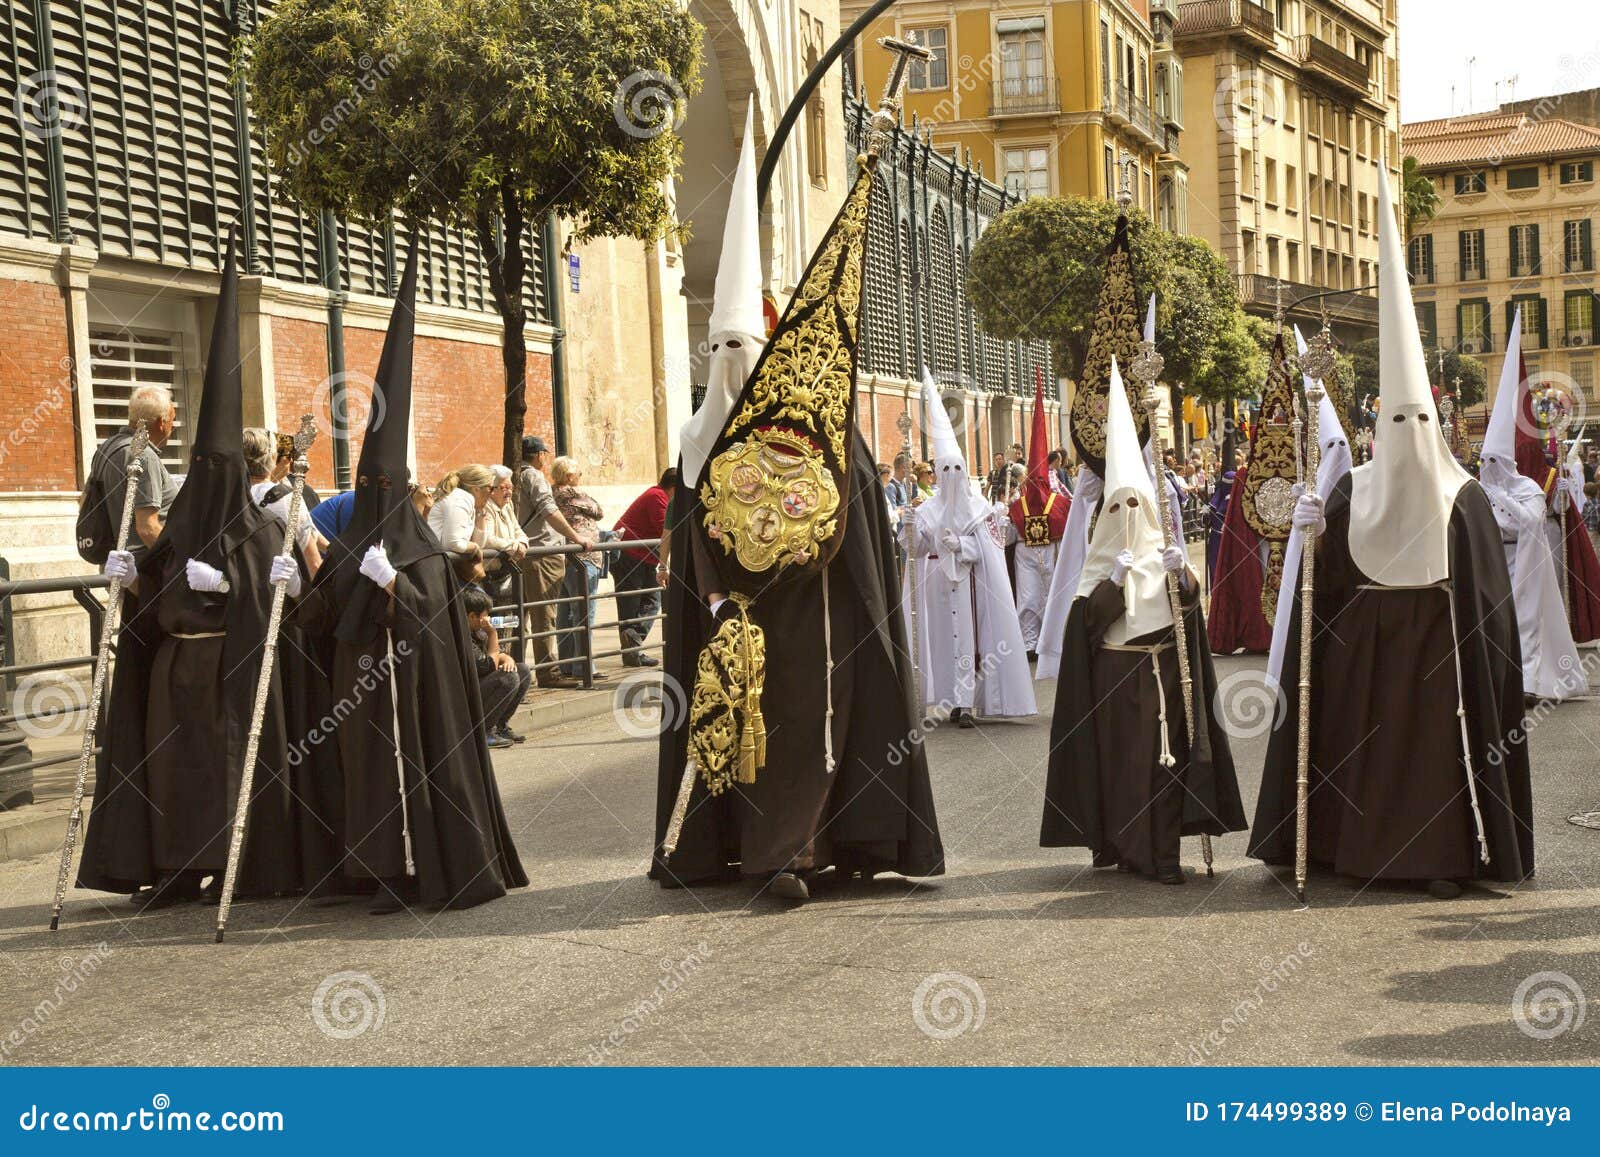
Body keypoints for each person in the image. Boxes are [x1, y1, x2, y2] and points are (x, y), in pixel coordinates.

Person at [652, 112, 943, 905]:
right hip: (737, 620)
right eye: (719, 351)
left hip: (820, 610)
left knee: (818, 730)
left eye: (744, 349)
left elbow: (853, 515)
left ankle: (818, 845)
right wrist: (713, 598)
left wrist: (818, 547)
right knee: (746, 735)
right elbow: (691, 532)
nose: (731, 365)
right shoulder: (697, 435)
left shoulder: (824, 427)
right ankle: (750, 849)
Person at [1251, 173, 1534, 898]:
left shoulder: (1463, 496)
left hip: (1440, 657)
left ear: (1433, 426)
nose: (1408, 437)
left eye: (1419, 422)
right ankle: (1354, 845)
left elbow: (1490, 605)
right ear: (1382, 427)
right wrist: (1313, 534)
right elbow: (1329, 585)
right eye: (1396, 422)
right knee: (1365, 750)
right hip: (1367, 654)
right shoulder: (1354, 487)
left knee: (1434, 757)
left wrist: (1490, 664)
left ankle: (1440, 854)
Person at [79, 236, 321, 909]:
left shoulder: (263, 525)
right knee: (171, 774)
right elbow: (154, 582)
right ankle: (177, 868)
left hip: (227, 671)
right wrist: (128, 574)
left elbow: (288, 602)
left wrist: (242, 585)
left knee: (219, 772)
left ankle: (234, 864)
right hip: (171, 673)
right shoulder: (182, 523)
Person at [291, 244, 527, 914]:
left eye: (380, 489)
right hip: (361, 691)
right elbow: (323, 615)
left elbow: (433, 611)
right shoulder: (351, 545)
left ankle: (424, 866)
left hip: (409, 686)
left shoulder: (418, 551)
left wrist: (392, 583)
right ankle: (377, 867)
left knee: (410, 775)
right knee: (367, 779)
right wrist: (300, 577)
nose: (371, 497)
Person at [1041, 358, 1245, 883]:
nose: (1130, 513)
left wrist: (1186, 578)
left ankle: (1163, 856)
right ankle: (1125, 845)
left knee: (1165, 766)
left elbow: (1187, 615)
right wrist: (1112, 587)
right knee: (1124, 770)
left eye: (1139, 503)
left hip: (1166, 677)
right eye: (1120, 505)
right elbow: (1083, 626)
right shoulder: (1097, 565)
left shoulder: (1165, 550)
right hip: (1114, 680)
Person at [903, 373, 1035, 727]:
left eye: (957, 468)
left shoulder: (979, 508)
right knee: (943, 642)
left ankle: (965, 703)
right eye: (945, 469)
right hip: (936, 586)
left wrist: (961, 544)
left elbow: (989, 548)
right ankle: (945, 699)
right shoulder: (927, 509)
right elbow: (913, 550)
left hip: (972, 587)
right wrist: (909, 524)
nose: (952, 474)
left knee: (969, 644)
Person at [1476, 311, 1583, 701]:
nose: (1489, 469)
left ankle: (1530, 683)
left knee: (1528, 626)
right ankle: (1500, 683)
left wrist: (1500, 498)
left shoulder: (1526, 488)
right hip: (1491, 566)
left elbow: (1528, 521)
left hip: (1525, 565)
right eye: (1484, 462)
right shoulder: (1477, 490)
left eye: (1495, 463)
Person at [1265, 328, 1353, 693]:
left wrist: (1321, 531)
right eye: (1327, 445)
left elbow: (1345, 560)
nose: (1333, 451)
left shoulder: (1355, 489)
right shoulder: (1312, 484)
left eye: (1338, 445)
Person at [514, 435, 590, 689]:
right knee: (545, 616)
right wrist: (575, 536)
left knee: (521, 617)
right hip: (542, 553)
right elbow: (548, 510)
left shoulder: (514, 475)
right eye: (545, 454)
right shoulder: (534, 476)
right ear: (539, 455)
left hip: (526, 552)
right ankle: (548, 673)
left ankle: (516, 670)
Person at [1009, 376, 1069, 660]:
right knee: (1029, 598)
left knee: (1053, 595)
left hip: (1051, 551)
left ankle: (1054, 638)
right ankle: (1029, 643)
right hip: (1026, 553)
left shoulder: (1060, 503)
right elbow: (1007, 534)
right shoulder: (1015, 504)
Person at [91, 384, 179, 558]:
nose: (172, 428)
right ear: (162, 423)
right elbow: (147, 528)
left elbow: (86, 501)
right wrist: (178, 562)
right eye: (172, 421)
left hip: (118, 568)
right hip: (145, 571)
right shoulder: (144, 456)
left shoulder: (105, 449)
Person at [612, 467, 676, 667]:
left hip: (644, 557)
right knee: (631, 604)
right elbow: (664, 528)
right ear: (673, 487)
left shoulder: (659, 496)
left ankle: (634, 644)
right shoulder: (657, 497)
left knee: (650, 600)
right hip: (630, 556)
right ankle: (632, 651)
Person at [551, 456, 605, 681]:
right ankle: (584, 667)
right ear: (570, 476)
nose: (580, 478)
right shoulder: (570, 494)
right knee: (584, 612)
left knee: (566, 612)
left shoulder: (553, 493)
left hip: (564, 558)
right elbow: (599, 510)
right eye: (578, 474)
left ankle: (567, 664)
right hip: (584, 559)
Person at [462, 585, 530, 748]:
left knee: (522, 671)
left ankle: (500, 726)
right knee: (508, 678)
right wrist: (493, 634)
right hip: (463, 694)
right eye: (485, 615)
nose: (487, 619)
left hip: (478, 684)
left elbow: (492, 656)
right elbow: (487, 665)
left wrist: (506, 658)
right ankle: (483, 731)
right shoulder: (462, 635)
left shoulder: (477, 630)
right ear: (472, 616)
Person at [480, 465, 529, 602]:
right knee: (496, 618)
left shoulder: (508, 505)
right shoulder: (486, 506)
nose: (508, 492)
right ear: (491, 489)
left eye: (510, 487)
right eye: (503, 488)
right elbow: (488, 539)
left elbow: (517, 529)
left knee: (512, 616)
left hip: (506, 572)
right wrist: (514, 546)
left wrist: (523, 543)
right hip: (489, 575)